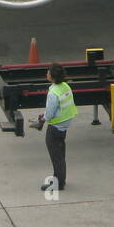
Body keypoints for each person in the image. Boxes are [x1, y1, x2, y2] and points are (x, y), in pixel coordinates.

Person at [37, 63, 78, 191]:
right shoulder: (65, 86)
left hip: (55, 126)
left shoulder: (53, 92)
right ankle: (60, 179)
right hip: (64, 124)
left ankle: (58, 183)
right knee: (60, 154)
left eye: (48, 72)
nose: (46, 73)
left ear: (52, 76)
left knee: (56, 156)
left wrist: (43, 118)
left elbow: (50, 113)